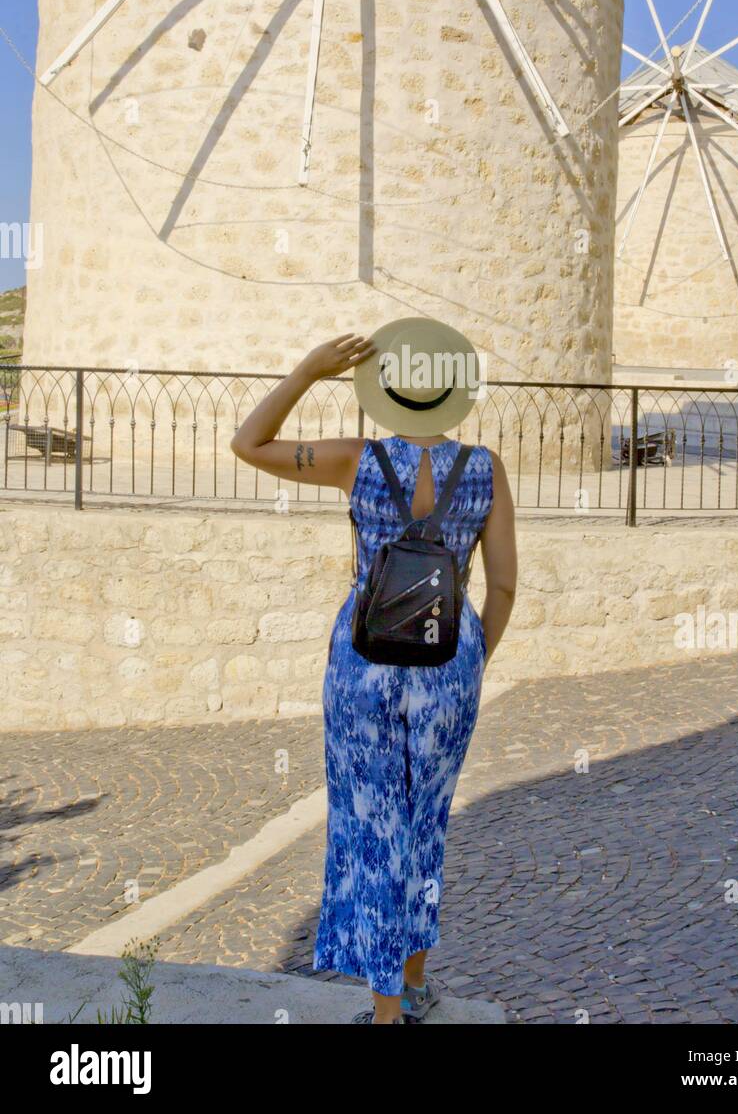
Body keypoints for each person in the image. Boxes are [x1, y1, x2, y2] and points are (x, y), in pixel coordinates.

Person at [231, 317, 517, 1024]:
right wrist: (471, 660)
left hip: (362, 666)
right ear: (455, 392)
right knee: (426, 823)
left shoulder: (355, 461)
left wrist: (307, 370)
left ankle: (387, 1012)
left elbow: (247, 443)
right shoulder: (483, 467)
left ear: (383, 390)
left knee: (372, 825)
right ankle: (413, 986)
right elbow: (505, 585)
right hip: (449, 663)